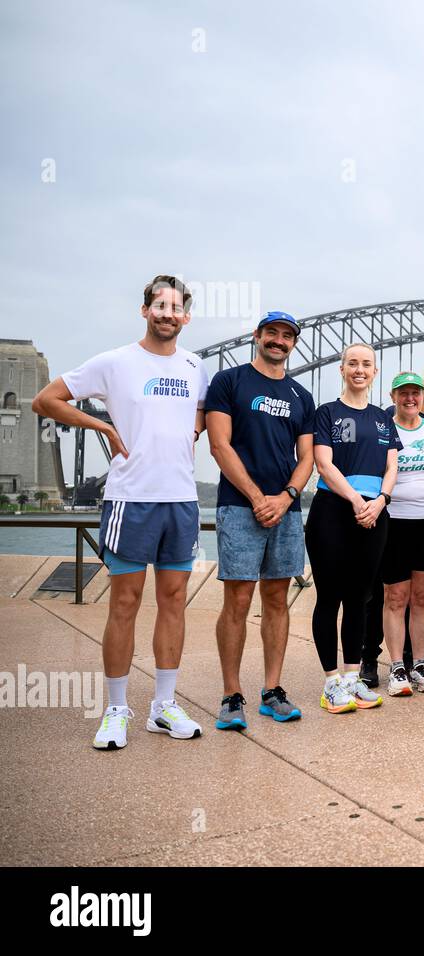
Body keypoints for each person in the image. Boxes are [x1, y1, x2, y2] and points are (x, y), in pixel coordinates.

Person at [32, 275, 209, 749]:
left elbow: (202, 410)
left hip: (181, 500)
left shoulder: (196, 366)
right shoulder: (114, 362)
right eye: (159, 305)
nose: (168, 313)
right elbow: (45, 400)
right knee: (125, 604)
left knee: (173, 601)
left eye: (176, 307)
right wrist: (103, 427)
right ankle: (116, 710)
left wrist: (191, 434)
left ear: (186, 317)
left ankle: (163, 708)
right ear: (145, 309)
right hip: (130, 500)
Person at [206, 311, 315, 730]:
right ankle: (232, 696)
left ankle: (272, 691)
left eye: (287, 336)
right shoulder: (229, 382)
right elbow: (219, 444)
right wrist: (256, 498)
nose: (279, 341)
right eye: (272, 333)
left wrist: (285, 498)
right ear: (257, 336)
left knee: (276, 598)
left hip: (284, 510)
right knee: (236, 600)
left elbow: (306, 458)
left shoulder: (301, 396)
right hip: (239, 506)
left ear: (293, 344)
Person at [305, 343, 397, 714]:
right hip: (334, 510)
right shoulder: (326, 413)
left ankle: (352, 677)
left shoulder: (383, 418)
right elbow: (323, 464)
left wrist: (381, 501)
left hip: (375, 514)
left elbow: (391, 466)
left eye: (367, 364)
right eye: (353, 364)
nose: (360, 369)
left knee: (361, 599)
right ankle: (330, 683)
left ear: (375, 372)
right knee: (329, 597)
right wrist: (357, 501)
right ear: (341, 369)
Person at [360, 362, 424, 686]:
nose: (410, 398)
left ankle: (419, 666)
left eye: (415, 392)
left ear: (421, 395)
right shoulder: (383, 429)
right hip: (394, 521)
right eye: (404, 393)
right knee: (396, 596)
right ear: (393, 396)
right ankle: (397, 666)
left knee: (423, 597)